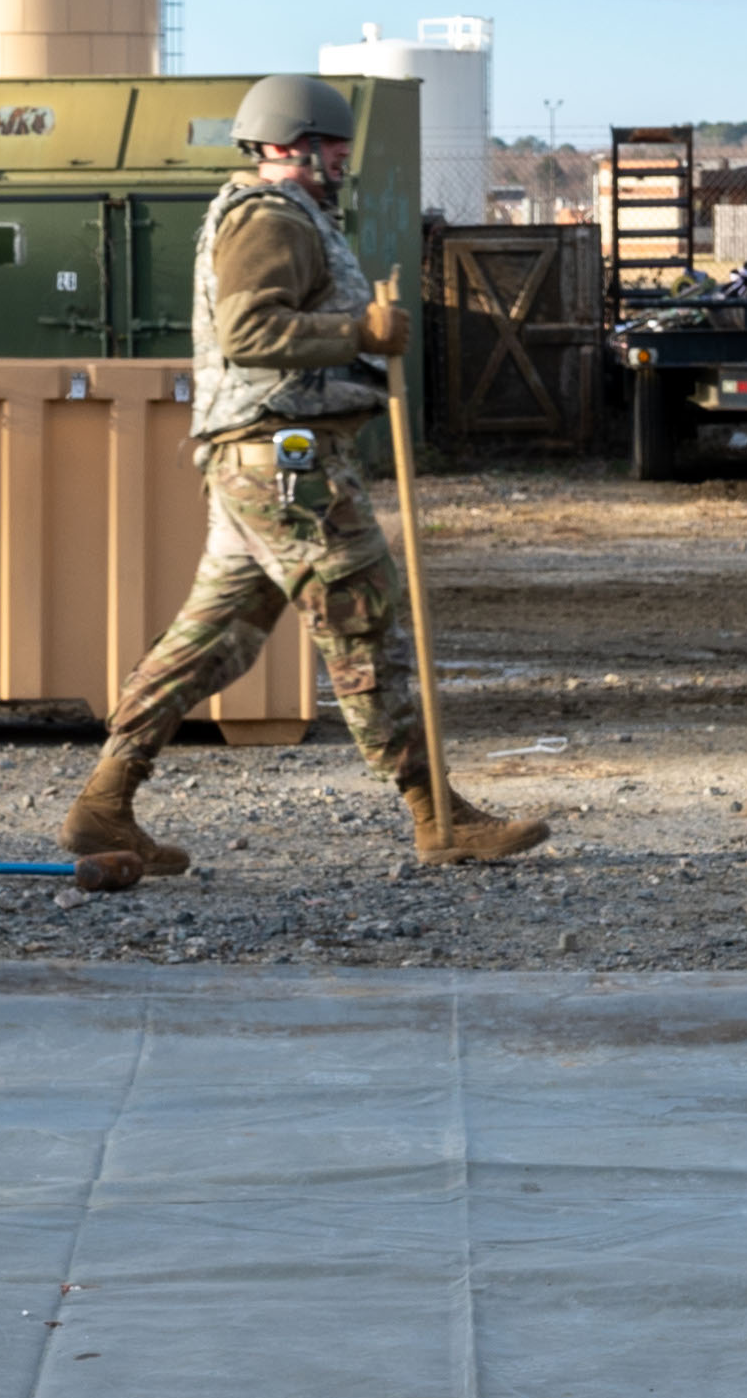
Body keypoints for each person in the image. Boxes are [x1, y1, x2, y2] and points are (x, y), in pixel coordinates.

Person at [67, 75, 545, 879]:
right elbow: (250, 328)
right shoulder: (269, 217)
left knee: (212, 637)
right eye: (332, 149)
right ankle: (437, 816)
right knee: (363, 617)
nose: (341, 164)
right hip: (284, 459)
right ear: (289, 145)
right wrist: (359, 327)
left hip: (260, 459)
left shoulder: (293, 217)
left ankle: (104, 800)